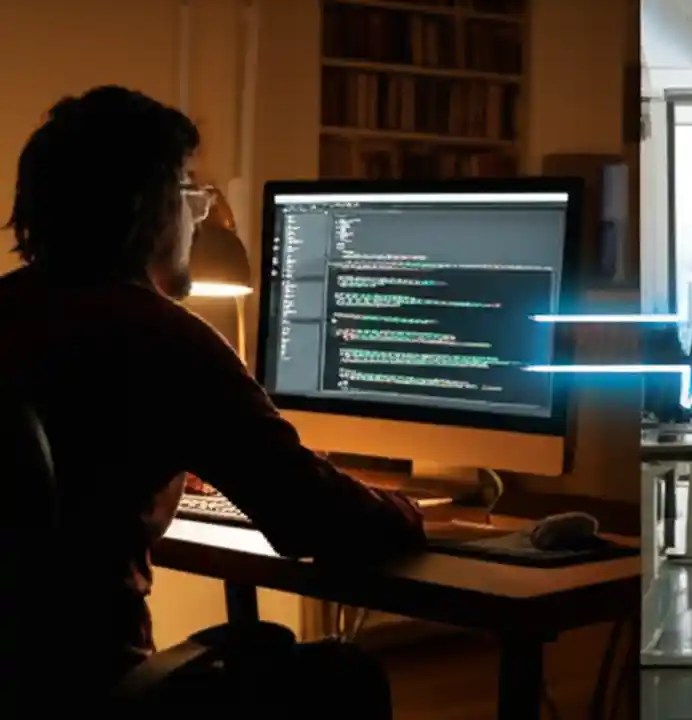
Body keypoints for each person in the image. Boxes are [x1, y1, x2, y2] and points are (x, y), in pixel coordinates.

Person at [0, 87, 478, 713]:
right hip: (91, 692)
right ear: (148, 207)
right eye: (187, 191)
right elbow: (308, 516)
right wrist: (406, 512)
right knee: (341, 675)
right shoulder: (164, 339)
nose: (198, 216)